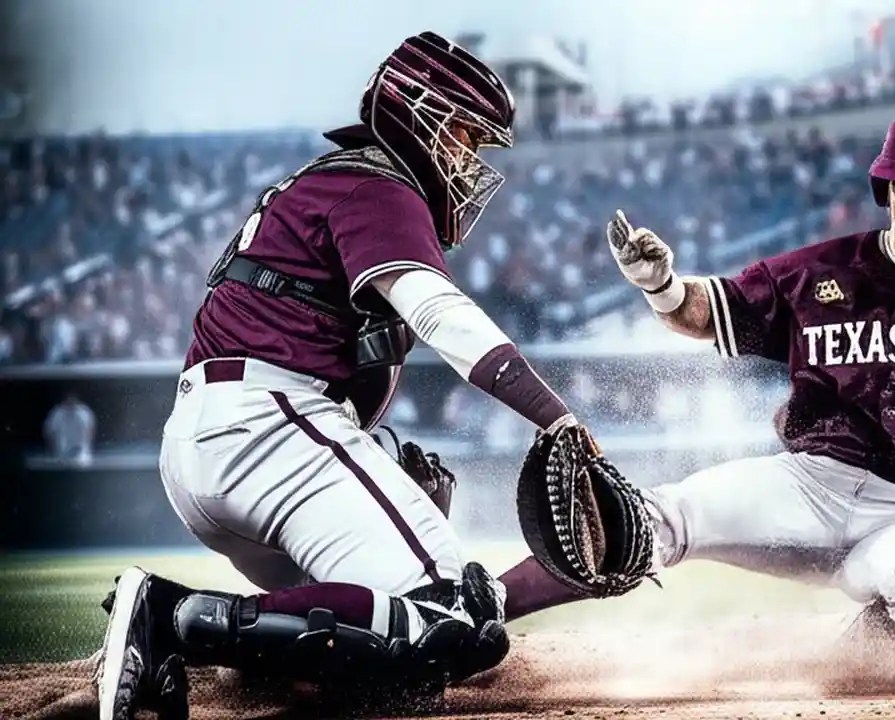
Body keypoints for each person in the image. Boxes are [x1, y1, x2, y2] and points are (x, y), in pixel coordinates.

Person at [96, 31, 598, 718]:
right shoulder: (378, 185)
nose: (466, 161)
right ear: (415, 114)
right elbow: (442, 315)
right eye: (460, 138)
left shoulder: (330, 184)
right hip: (272, 426)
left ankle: (201, 641)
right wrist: (556, 415)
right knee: (447, 612)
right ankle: (168, 617)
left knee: (384, 662)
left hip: (218, 439)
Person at [496, 105, 895, 636]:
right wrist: (662, 286)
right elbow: (705, 312)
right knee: (655, 518)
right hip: (805, 483)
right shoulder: (820, 270)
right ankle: (481, 611)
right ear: (882, 185)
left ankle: (850, 655)